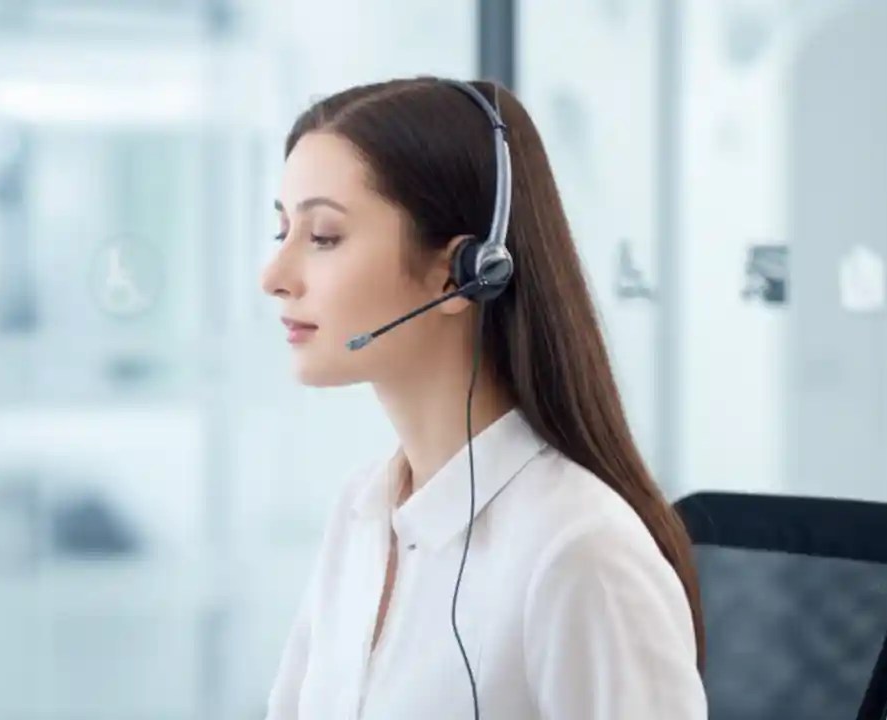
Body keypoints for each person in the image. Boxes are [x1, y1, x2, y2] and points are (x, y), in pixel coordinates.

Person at [260, 76, 706, 719]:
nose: (275, 276)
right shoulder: (363, 511)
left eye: (324, 236)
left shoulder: (579, 552)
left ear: (466, 271)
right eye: (283, 233)